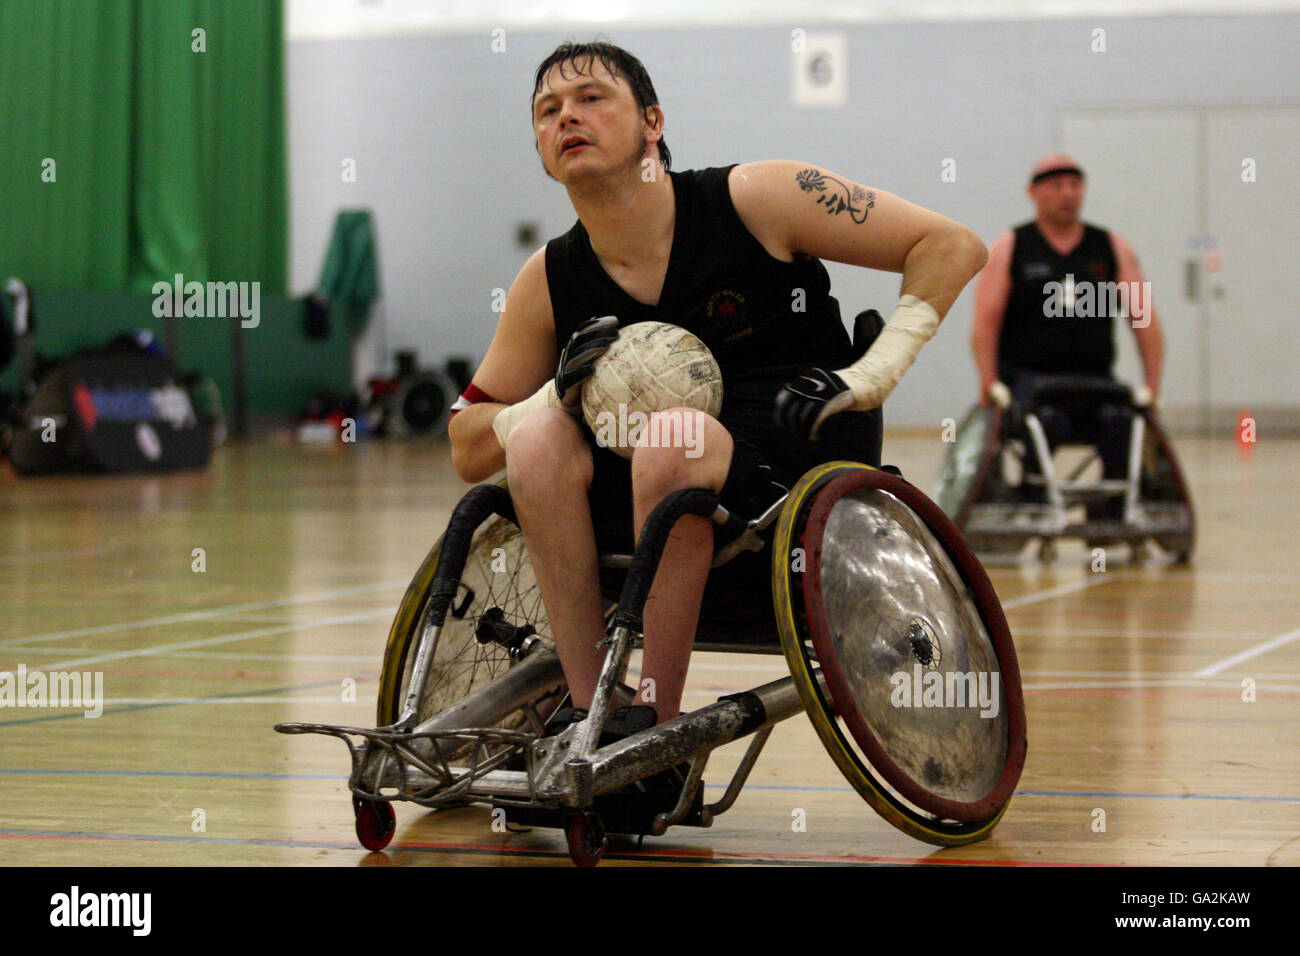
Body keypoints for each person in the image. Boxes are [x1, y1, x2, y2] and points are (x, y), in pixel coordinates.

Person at [447, 40, 986, 744]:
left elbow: (952, 246)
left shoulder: (758, 198)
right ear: (543, 151)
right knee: (539, 443)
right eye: (547, 111)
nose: (566, 117)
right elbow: (467, 444)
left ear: (652, 122)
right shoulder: (548, 279)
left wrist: (870, 375)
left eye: (591, 98)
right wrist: (548, 399)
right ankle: (590, 711)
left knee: (673, 439)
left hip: (790, 467)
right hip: (637, 491)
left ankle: (654, 721)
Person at [971, 153, 1165, 491]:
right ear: (1034, 192)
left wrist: (1152, 384)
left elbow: (1143, 318)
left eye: (1075, 185)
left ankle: (1115, 507)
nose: (1067, 193)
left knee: (1122, 424)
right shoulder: (1012, 246)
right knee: (1048, 425)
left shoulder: (1109, 246)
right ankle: (1032, 495)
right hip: (1030, 382)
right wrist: (988, 381)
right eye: (1056, 185)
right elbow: (985, 322)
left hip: (1095, 381)